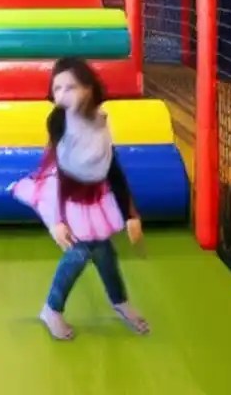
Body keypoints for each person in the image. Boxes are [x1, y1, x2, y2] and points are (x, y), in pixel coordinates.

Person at [10, 57, 150, 340]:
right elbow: (54, 177)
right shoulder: (60, 122)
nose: (62, 95)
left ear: (88, 89)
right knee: (79, 252)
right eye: (57, 88)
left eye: (70, 87)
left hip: (93, 201)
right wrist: (56, 222)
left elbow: (113, 170)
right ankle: (52, 308)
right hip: (65, 201)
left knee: (103, 251)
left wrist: (130, 215)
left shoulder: (98, 123)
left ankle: (119, 301)